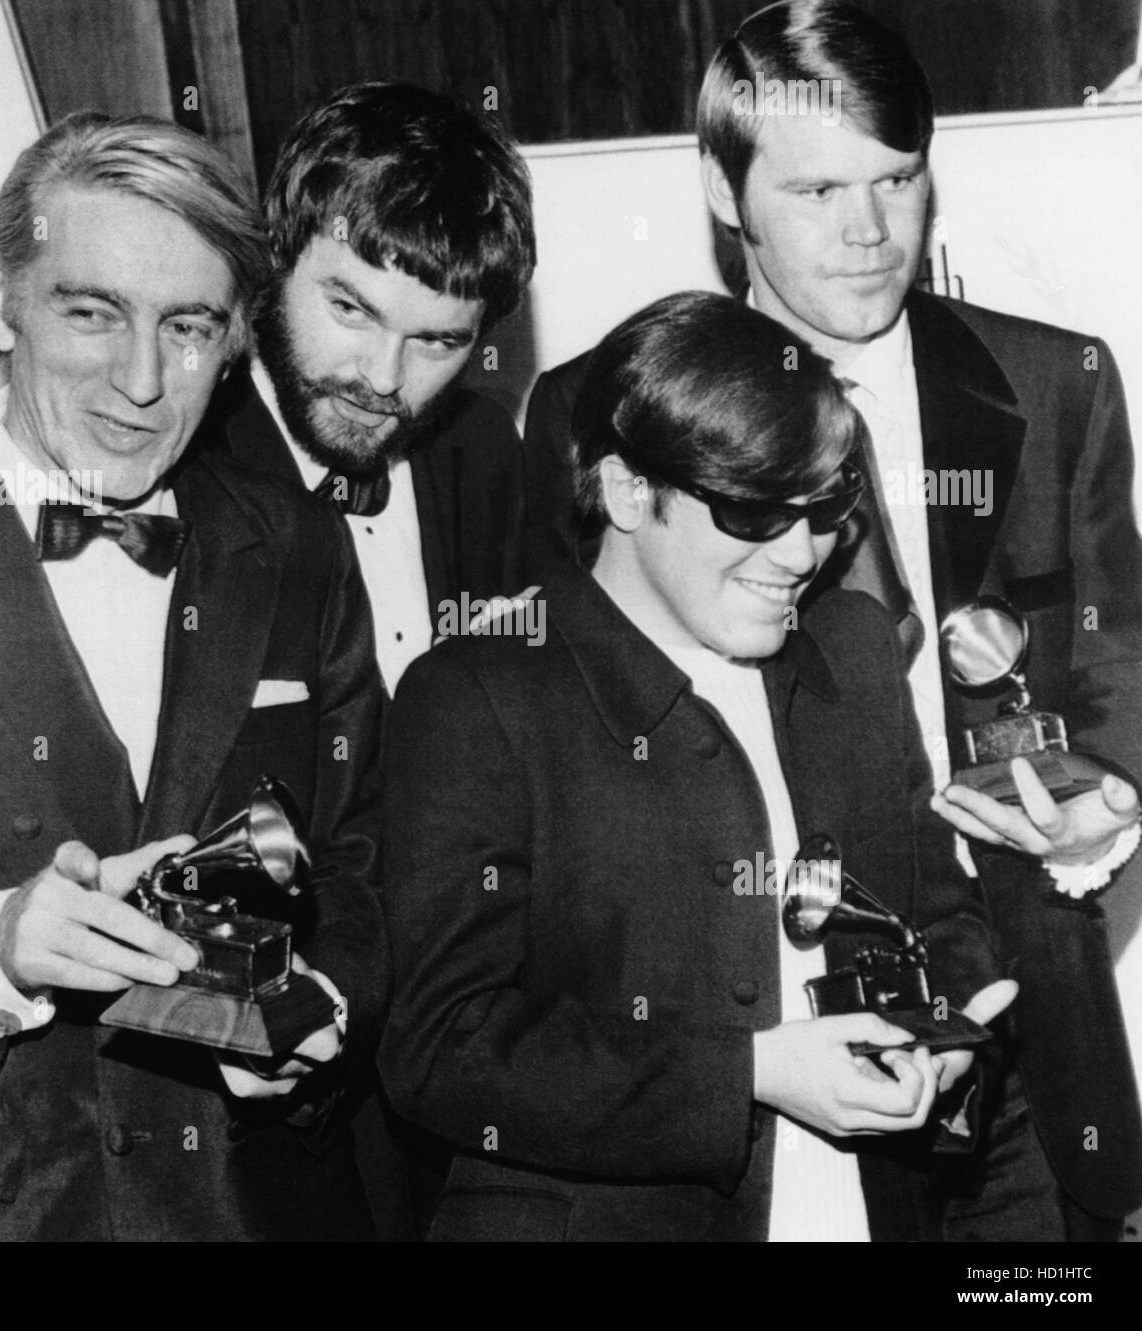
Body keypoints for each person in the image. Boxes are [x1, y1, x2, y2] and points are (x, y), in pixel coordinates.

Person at [522, 0, 1142, 1242]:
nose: (869, 235)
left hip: (1019, 1012)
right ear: (721, 185)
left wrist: (1111, 792)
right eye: (816, 192)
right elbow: (554, 740)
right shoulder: (593, 413)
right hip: (748, 1044)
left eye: (897, 180)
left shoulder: (1053, 383)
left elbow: (1117, 657)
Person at [0, 111, 387, 1241]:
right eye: (91, 312)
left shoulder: (293, 547)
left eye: (188, 327)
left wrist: (313, 1010)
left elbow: (364, 855)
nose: (142, 381)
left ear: (238, 337)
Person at [380, 291, 1013, 1242]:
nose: (802, 552)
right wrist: (751, 1071)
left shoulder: (851, 649)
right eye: (757, 509)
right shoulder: (479, 692)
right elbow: (440, 1045)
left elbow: (935, 912)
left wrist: (949, 1035)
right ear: (630, 490)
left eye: (828, 504)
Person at [200, 81, 537, 697]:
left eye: (437, 342)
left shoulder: (485, 452)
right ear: (276, 255)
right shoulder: (188, 463)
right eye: (352, 310)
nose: (383, 378)